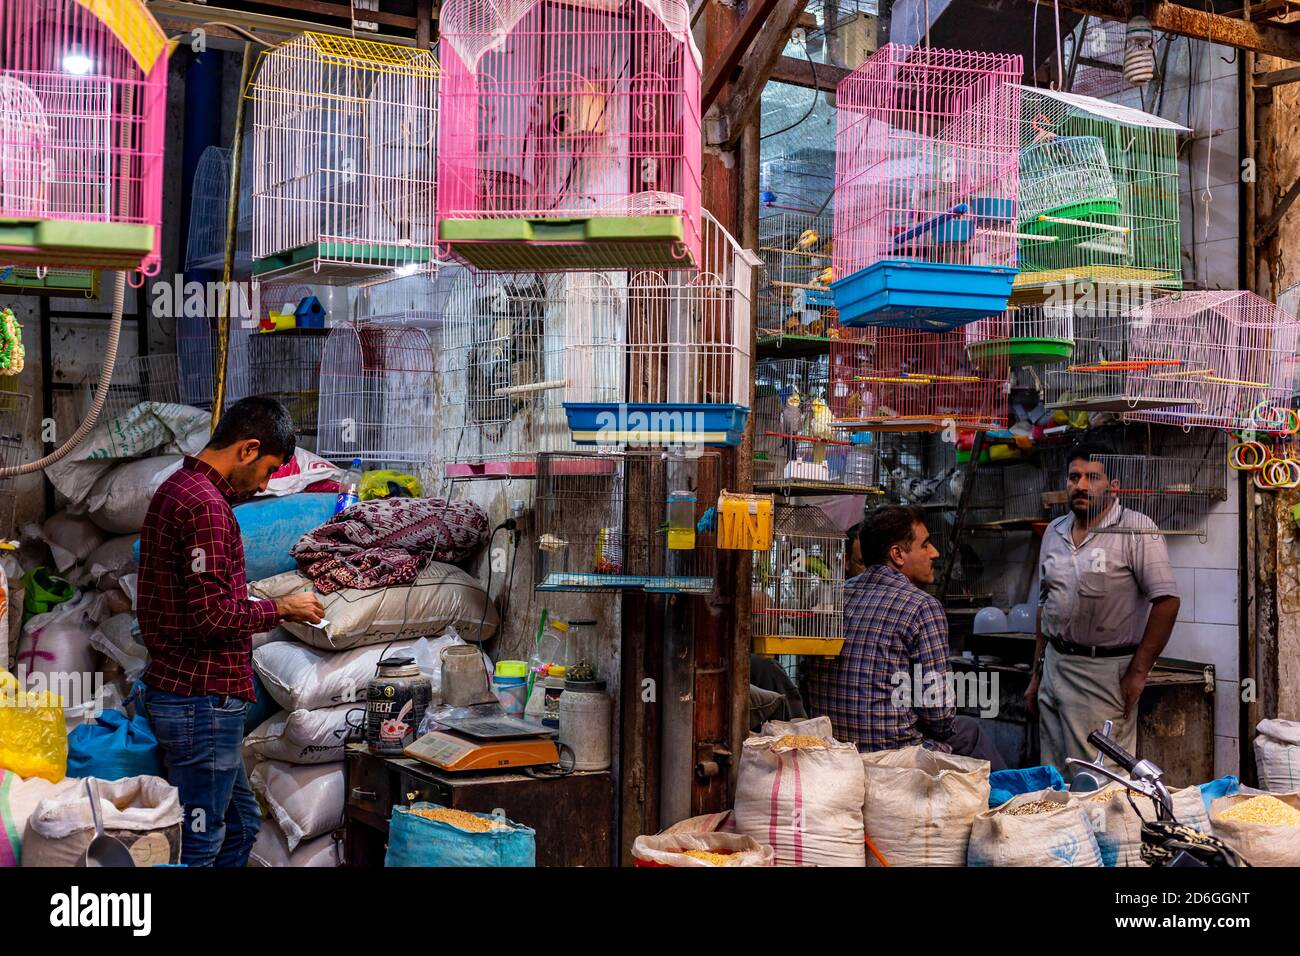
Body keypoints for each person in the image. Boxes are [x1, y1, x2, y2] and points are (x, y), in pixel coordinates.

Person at [138, 397, 325, 867]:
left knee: (240, 825)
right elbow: (212, 617)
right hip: (199, 700)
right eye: (268, 470)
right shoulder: (205, 508)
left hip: (190, 695)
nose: (263, 484)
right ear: (247, 449)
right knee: (201, 838)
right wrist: (280, 608)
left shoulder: (179, 488)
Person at [802, 506, 1007, 768]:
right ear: (898, 554)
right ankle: (1014, 805)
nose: (935, 553)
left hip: (835, 745)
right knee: (970, 731)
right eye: (926, 545)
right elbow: (939, 716)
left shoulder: (831, 598)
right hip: (893, 752)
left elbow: (807, 684)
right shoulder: (922, 607)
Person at [1026, 440, 1180, 780]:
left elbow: (1167, 602)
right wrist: (1037, 674)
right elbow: (1044, 604)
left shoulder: (1137, 530)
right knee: (1053, 775)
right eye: (1074, 477)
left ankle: (1106, 835)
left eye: (1092, 477)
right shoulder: (1054, 531)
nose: (1081, 486)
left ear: (1113, 486)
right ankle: (1065, 835)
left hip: (1104, 674)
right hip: (1055, 666)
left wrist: (1139, 672)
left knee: (1099, 779)